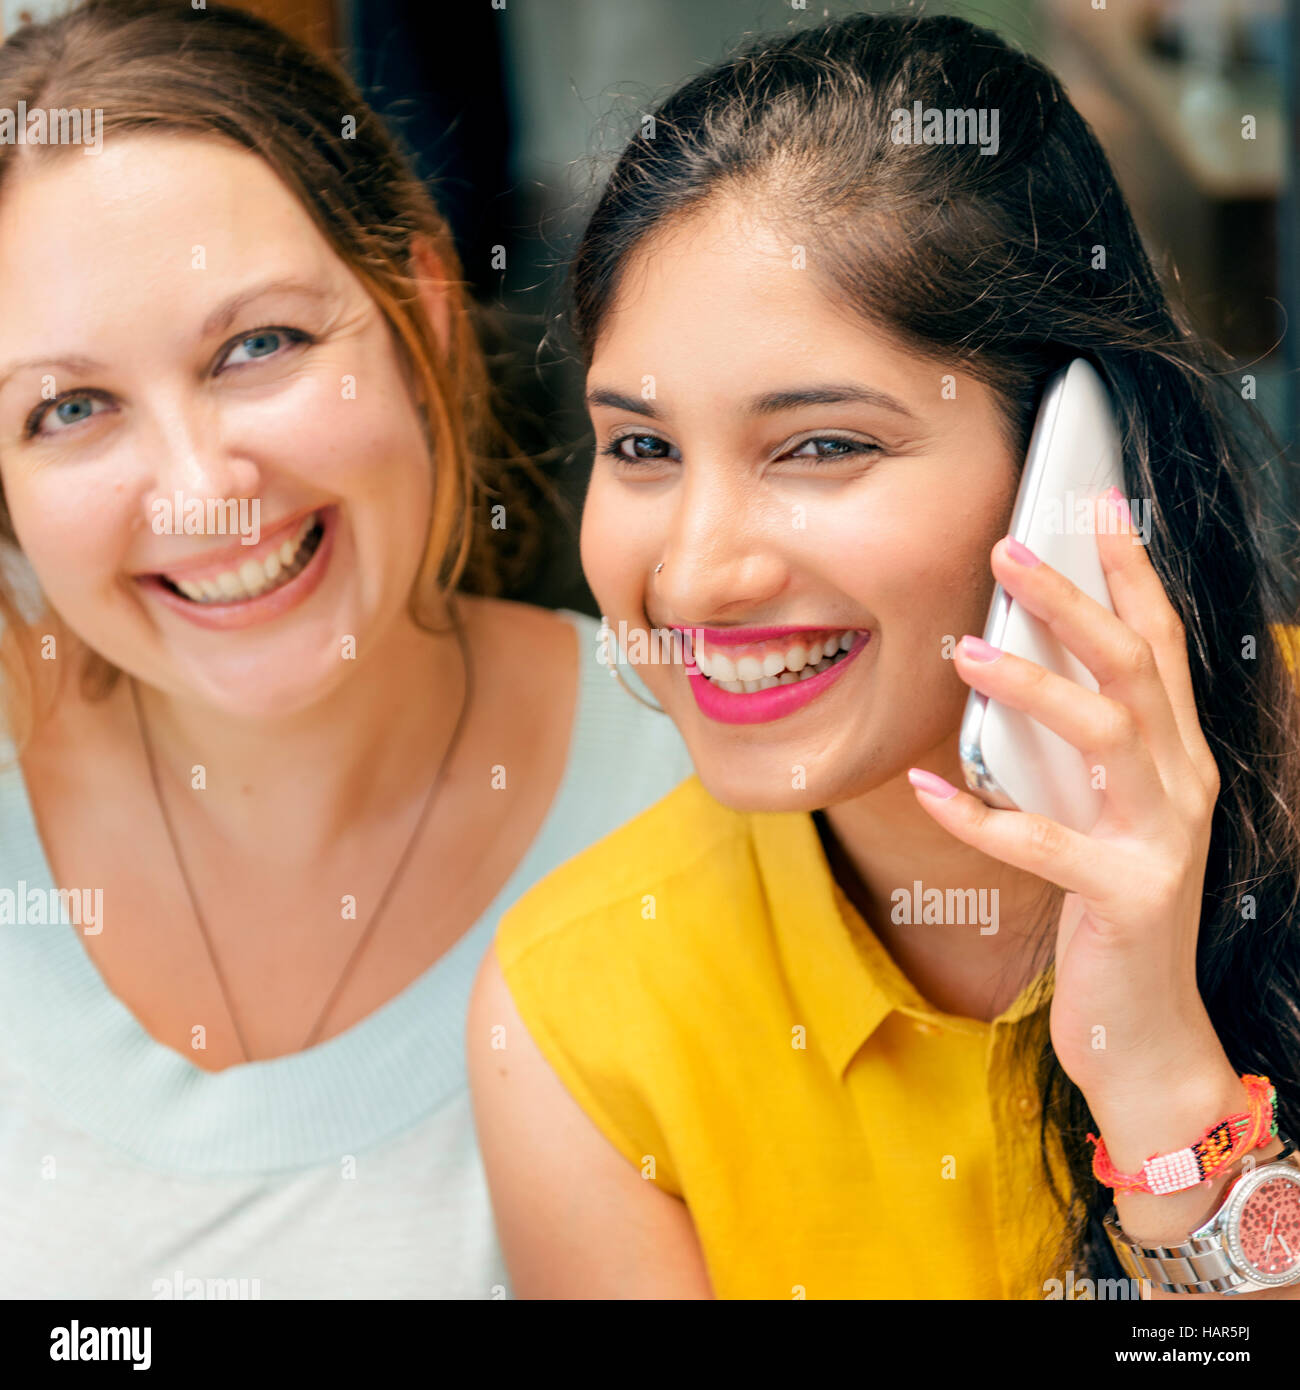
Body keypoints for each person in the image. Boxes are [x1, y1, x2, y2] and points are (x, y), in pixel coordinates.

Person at [468, 11, 1300, 1299]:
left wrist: (1152, 1070)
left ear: (1072, 462)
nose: (691, 574)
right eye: (642, 448)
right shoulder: (582, 1004)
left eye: (820, 446)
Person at [0, 0, 691, 1299]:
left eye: (260, 343)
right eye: (70, 407)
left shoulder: (710, 780)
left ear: (421, 311)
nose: (202, 486)